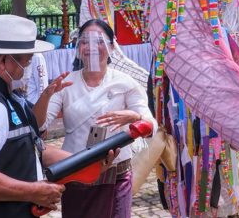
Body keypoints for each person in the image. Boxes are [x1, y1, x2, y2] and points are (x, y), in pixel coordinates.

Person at [0, 14, 116, 217]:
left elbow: (33, 148)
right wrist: (34, 191)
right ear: (4, 61)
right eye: (27, 61)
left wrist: (86, 161)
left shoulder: (6, 95)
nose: (28, 68)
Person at [38, 18, 156, 218]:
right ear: (78, 46)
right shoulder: (66, 83)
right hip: (75, 171)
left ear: (111, 46)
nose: (92, 47)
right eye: (85, 41)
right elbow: (40, 125)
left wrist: (133, 116)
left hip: (116, 174)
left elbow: (150, 125)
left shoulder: (125, 82)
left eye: (99, 41)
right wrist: (46, 95)